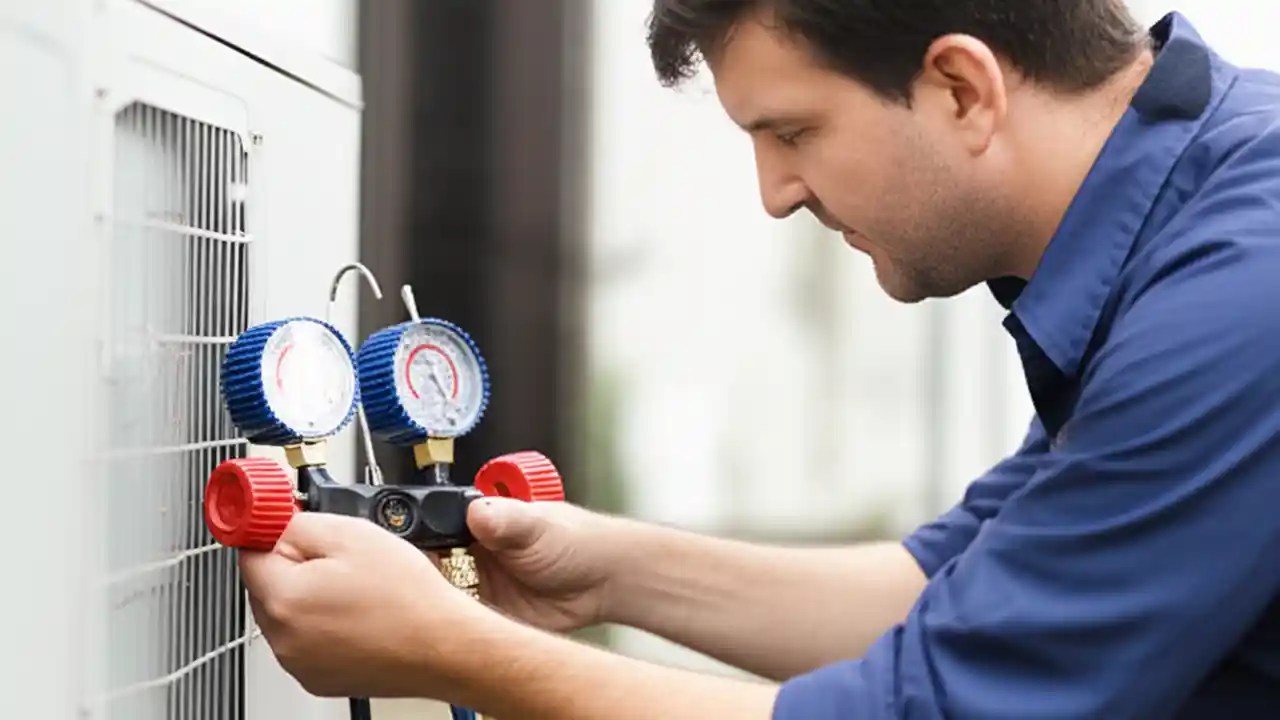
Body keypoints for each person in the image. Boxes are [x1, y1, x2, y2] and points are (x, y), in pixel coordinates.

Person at [239, 2, 1280, 717]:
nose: (774, 192)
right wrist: (598, 573)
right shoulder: (1180, 220)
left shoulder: (1238, 290)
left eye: (792, 131)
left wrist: (452, 651)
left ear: (961, 87)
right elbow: (948, 588)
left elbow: (944, 706)